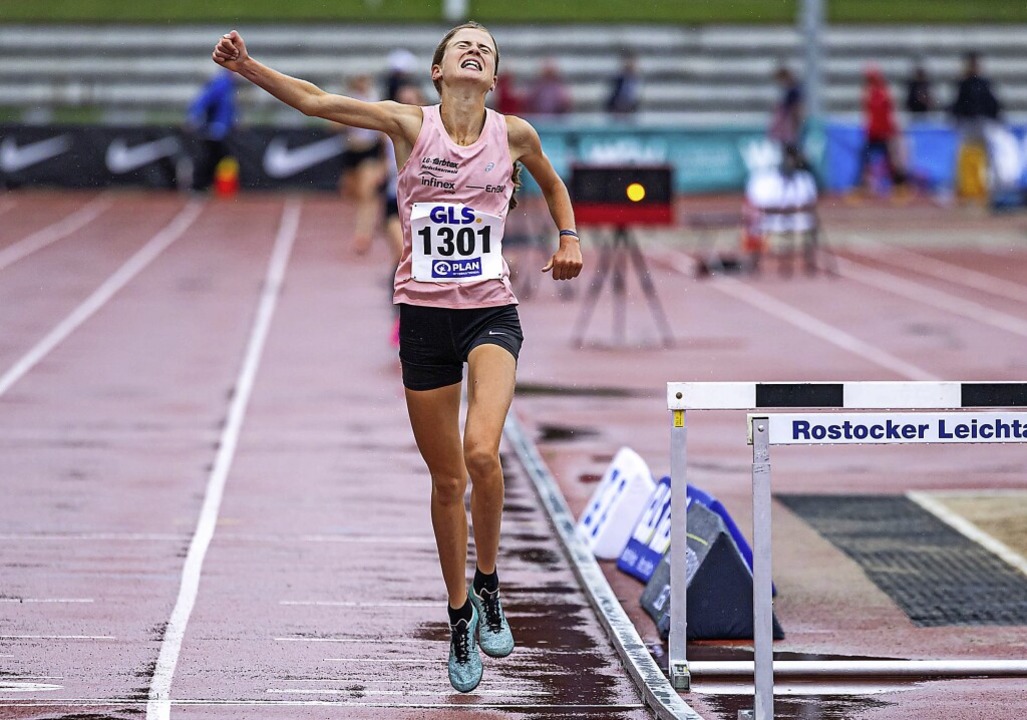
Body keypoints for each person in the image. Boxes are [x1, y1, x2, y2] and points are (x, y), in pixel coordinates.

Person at [211, 22, 583, 693]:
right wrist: (248, 68)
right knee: (446, 483)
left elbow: (554, 186)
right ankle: (459, 614)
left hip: (489, 314)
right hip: (423, 321)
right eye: (462, 45)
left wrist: (569, 237)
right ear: (439, 71)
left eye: (486, 47)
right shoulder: (409, 125)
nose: (475, 49)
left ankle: (491, 584)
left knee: (481, 454)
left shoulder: (515, 135)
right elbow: (318, 103)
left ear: (492, 76)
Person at [337, 74, 386, 255]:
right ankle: (366, 225)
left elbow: (383, 133)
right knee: (351, 193)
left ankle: (363, 233)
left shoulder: (375, 102)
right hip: (351, 151)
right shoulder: (348, 100)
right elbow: (333, 126)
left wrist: (383, 161)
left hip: (369, 152)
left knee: (367, 194)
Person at [950, 50, 1002, 201]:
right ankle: (961, 187)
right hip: (967, 123)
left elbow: (992, 103)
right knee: (962, 155)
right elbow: (958, 103)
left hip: (982, 122)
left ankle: (992, 186)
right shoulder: (964, 83)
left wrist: (995, 117)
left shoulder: (983, 83)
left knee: (990, 155)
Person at [854, 65, 908, 198]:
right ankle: (861, 186)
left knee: (889, 160)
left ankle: (899, 185)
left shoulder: (881, 93)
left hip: (882, 133)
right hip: (873, 133)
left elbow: (887, 114)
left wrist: (891, 131)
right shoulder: (870, 92)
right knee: (865, 159)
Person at [185, 69, 238, 191]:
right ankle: (199, 184)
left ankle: (203, 184)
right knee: (212, 157)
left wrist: (234, 121)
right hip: (214, 129)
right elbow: (205, 100)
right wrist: (194, 117)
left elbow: (229, 107)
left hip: (220, 129)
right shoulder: (222, 83)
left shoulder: (228, 85)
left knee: (215, 157)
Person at [768, 65, 803, 153]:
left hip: (790, 127)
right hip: (788, 127)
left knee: (791, 150)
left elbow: (796, 110)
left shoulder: (794, 91)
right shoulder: (789, 90)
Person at [605, 49, 642, 117]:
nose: (630, 64)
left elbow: (635, 99)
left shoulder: (637, 81)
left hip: (631, 111)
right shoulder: (617, 79)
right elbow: (610, 99)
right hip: (616, 111)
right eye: (627, 61)